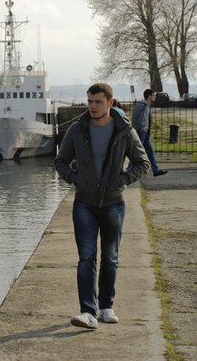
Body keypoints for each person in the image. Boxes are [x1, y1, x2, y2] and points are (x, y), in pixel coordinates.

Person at [54, 83, 150, 329]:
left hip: (113, 203)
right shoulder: (77, 129)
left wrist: (121, 181)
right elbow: (61, 161)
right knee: (86, 257)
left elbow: (143, 163)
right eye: (90, 101)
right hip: (84, 204)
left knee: (110, 257)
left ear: (110, 102)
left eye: (98, 101)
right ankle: (88, 311)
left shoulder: (124, 130)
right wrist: (76, 179)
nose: (93, 106)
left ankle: (106, 306)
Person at [131, 89, 168, 177]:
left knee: (150, 151)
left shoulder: (147, 105)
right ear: (149, 96)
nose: (155, 97)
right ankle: (129, 170)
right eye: (154, 95)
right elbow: (135, 117)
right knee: (137, 151)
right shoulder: (142, 105)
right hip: (141, 131)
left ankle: (156, 170)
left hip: (146, 132)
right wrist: (138, 128)